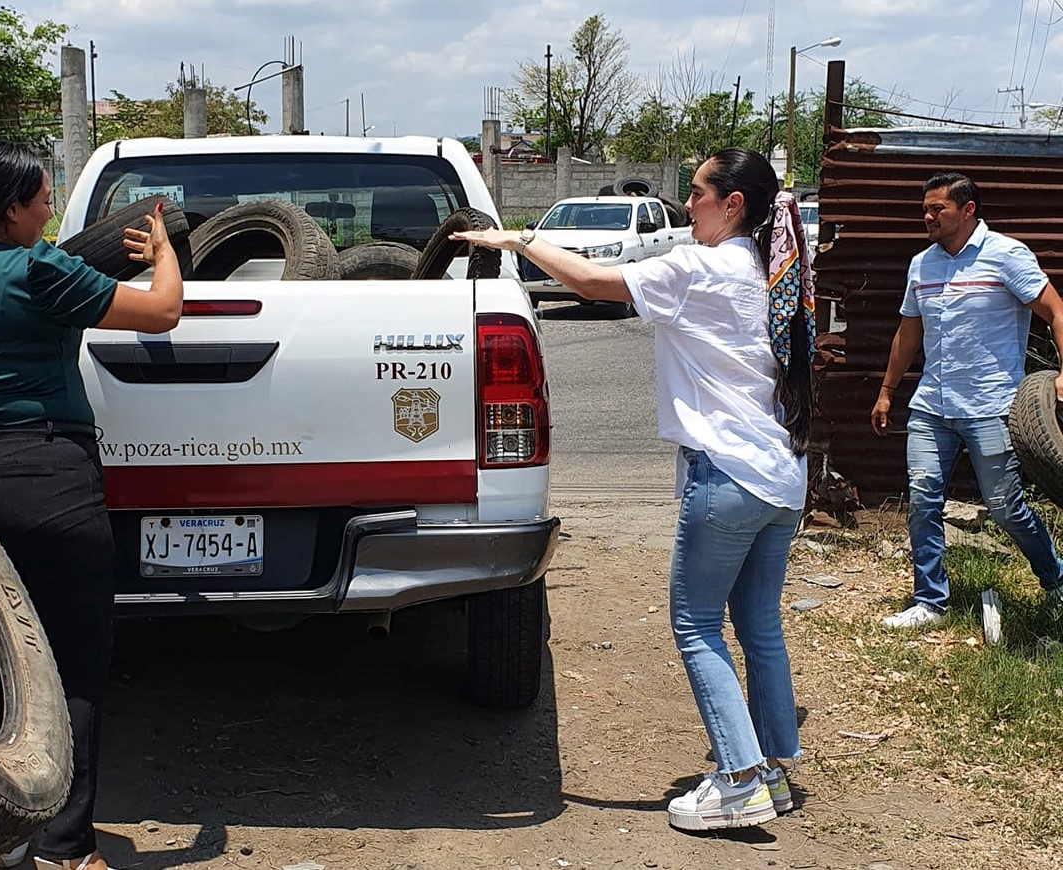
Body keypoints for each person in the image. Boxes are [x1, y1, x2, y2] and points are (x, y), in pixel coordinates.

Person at [453, 148, 815, 832]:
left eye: (698, 194)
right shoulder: (760, 271)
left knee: (696, 623)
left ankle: (738, 779)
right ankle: (771, 768)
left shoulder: (699, 267)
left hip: (728, 475)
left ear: (731, 204)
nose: (687, 206)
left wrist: (521, 238)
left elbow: (591, 283)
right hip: (778, 477)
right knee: (759, 625)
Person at [0, 139, 183, 870]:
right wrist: (162, 249)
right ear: (11, 209)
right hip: (54, 480)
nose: (47, 215)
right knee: (71, 667)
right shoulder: (41, 268)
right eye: (39, 202)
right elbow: (162, 314)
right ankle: (65, 851)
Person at [872, 172, 1063, 630]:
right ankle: (930, 602)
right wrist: (886, 391)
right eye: (925, 209)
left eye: (938, 209)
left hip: (991, 404)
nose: (928, 217)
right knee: (922, 499)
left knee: (1005, 507)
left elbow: (1056, 310)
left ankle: (1056, 582)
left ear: (968, 210)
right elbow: (909, 330)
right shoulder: (922, 264)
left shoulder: (1006, 255)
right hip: (931, 405)